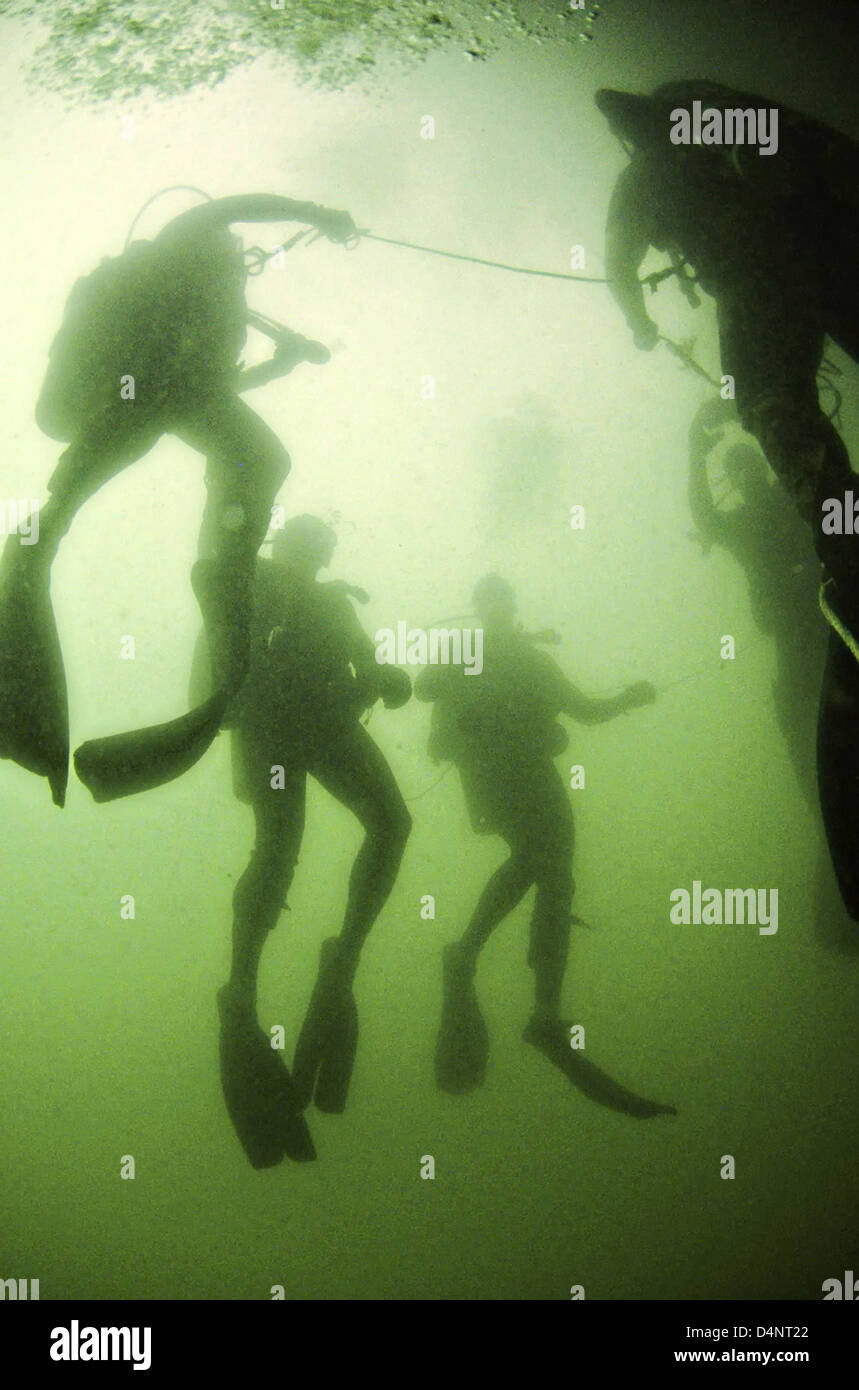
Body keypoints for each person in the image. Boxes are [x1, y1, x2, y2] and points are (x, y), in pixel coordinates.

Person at [0, 192, 356, 808]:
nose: (238, 260)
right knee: (255, 459)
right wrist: (317, 212)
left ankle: (218, 569)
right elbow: (235, 206)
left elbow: (211, 396)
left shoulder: (214, 300)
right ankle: (214, 568)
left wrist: (280, 367)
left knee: (260, 458)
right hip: (137, 399)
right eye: (233, 250)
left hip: (151, 404)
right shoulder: (187, 239)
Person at [595, 83, 859, 648]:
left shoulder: (643, 176)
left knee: (770, 404)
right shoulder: (720, 139)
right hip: (828, 251)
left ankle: (853, 549)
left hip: (755, 279)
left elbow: (619, 264)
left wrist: (640, 323)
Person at [190, 514, 412, 1168]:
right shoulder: (252, 582)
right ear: (284, 546)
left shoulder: (328, 599)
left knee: (385, 825)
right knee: (281, 850)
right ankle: (247, 985)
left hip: (319, 724)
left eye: (317, 552)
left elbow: (369, 663)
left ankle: (327, 958)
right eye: (306, 549)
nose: (310, 559)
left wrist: (383, 680)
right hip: (271, 729)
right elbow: (223, 631)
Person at [415, 575, 675, 1118]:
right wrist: (463, 667)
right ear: (484, 609)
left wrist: (625, 699)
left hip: (520, 777)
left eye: (502, 605)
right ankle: (530, 1002)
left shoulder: (529, 660)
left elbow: (584, 709)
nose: (498, 614)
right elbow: (424, 688)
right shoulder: (481, 654)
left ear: (509, 608)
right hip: (505, 779)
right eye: (491, 606)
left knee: (552, 872)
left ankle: (524, 994)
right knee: (548, 867)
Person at [688, 397, 827, 809]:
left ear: (763, 468)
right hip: (800, 638)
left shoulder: (794, 500)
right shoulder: (753, 522)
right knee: (803, 735)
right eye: (738, 469)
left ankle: (829, 818)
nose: (745, 474)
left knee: (806, 729)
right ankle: (827, 821)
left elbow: (705, 516)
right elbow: (705, 516)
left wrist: (697, 447)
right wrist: (695, 449)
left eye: (749, 465)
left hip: (828, 624)